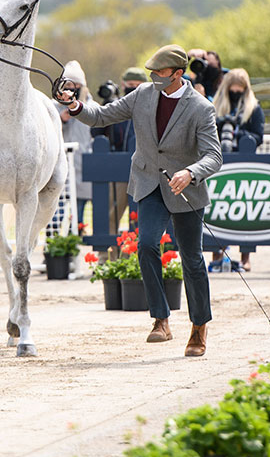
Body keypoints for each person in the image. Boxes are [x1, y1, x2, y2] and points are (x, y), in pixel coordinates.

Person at [56, 44, 222, 358]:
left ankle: (199, 327)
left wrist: (190, 172)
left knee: (192, 260)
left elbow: (214, 156)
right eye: (151, 72)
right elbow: (102, 116)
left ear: (177, 74)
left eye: (159, 73)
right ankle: (161, 319)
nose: (153, 77)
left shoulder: (200, 108)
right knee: (146, 244)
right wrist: (75, 105)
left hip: (184, 188)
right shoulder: (143, 94)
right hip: (148, 183)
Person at [210, 68, 265, 271]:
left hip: (245, 163)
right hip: (219, 163)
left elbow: (258, 135)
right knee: (219, 208)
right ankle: (217, 253)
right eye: (233, 88)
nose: (236, 92)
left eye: (239, 89)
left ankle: (245, 256)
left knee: (245, 210)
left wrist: (239, 133)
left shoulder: (254, 107)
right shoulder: (216, 106)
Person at [92, 66, 147, 237]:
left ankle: (137, 257)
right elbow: (95, 133)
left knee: (143, 216)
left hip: (145, 169)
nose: (133, 88)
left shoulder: (151, 106)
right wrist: (105, 107)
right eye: (130, 84)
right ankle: (107, 256)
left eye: (138, 85)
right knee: (111, 214)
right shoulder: (116, 106)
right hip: (117, 168)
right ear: (123, 85)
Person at [51, 60, 92, 237]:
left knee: (78, 219)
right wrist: (61, 119)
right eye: (67, 85)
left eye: (75, 86)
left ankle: (73, 250)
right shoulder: (52, 108)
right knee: (54, 215)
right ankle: (52, 251)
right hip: (57, 169)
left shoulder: (93, 108)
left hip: (82, 168)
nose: (71, 89)